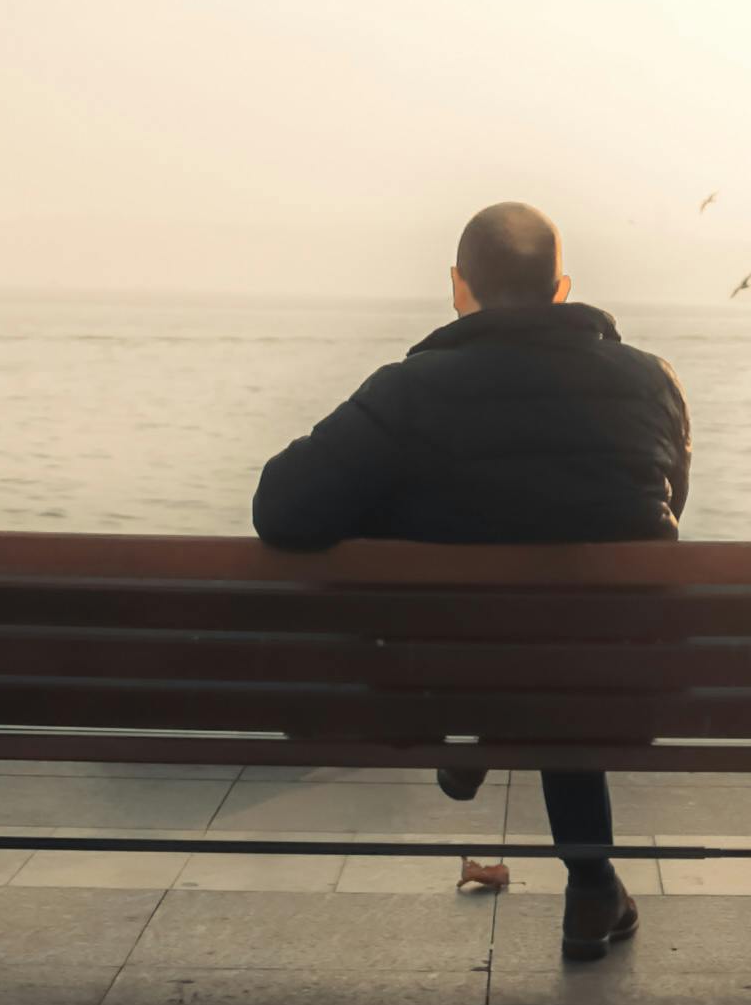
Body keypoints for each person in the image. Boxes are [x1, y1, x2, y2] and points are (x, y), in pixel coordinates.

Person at [250, 202, 690, 962]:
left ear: (460, 286)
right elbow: (667, 515)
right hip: (621, 682)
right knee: (568, 626)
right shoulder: (651, 383)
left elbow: (282, 510)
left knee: (465, 569)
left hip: (446, 675)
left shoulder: (408, 392)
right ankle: (590, 884)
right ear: (562, 289)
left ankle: (488, 721)